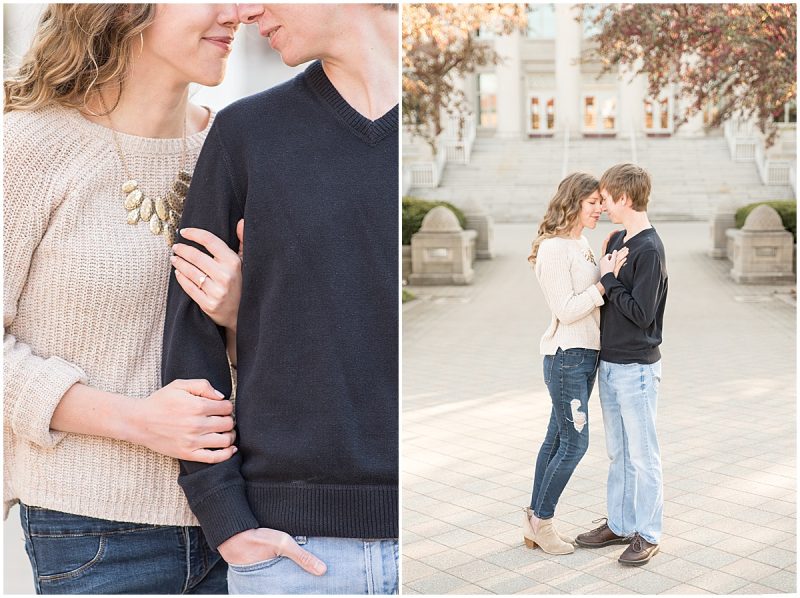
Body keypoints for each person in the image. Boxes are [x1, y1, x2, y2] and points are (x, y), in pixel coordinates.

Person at [3, 4, 248, 593]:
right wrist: (137, 420)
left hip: (246, 524)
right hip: (93, 532)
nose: (237, 12)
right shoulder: (29, 147)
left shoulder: (237, 147)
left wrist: (241, 315)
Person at [161, 3, 399, 595]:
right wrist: (227, 520)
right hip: (294, 554)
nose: (245, 11)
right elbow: (191, 347)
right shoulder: (246, 134)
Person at [523, 173, 628, 555]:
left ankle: (534, 521)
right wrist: (604, 283)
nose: (600, 208)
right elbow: (566, 310)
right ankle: (543, 522)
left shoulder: (579, 243)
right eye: (593, 203)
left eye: (601, 202)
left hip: (584, 356)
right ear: (573, 203)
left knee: (556, 440)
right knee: (575, 444)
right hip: (567, 357)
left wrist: (605, 262)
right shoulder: (553, 249)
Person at [575, 163, 668, 566]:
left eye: (607, 199)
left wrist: (610, 279)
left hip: (637, 369)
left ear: (625, 198)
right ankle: (620, 523)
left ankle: (648, 534)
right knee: (619, 453)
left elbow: (642, 314)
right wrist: (605, 271)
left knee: (643, 456)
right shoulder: (615, 239)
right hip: (609, 364)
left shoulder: (650, 249)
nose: (603, 206)